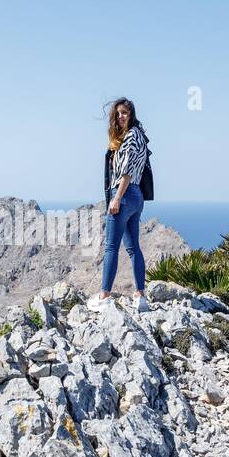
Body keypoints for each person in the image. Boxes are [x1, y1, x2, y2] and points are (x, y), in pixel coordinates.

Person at [90, 97, 149, 312]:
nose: (121, 117)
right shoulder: (140, 136)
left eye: (124, 113)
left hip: (123, 194)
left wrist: (115, 199)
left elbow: (125, 172)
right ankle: (140, 296)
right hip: (137, 197)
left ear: (131, 114)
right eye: (118, 114)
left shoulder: (131, 137)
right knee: (134, 248)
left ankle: (104, 296)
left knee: (111, 247)